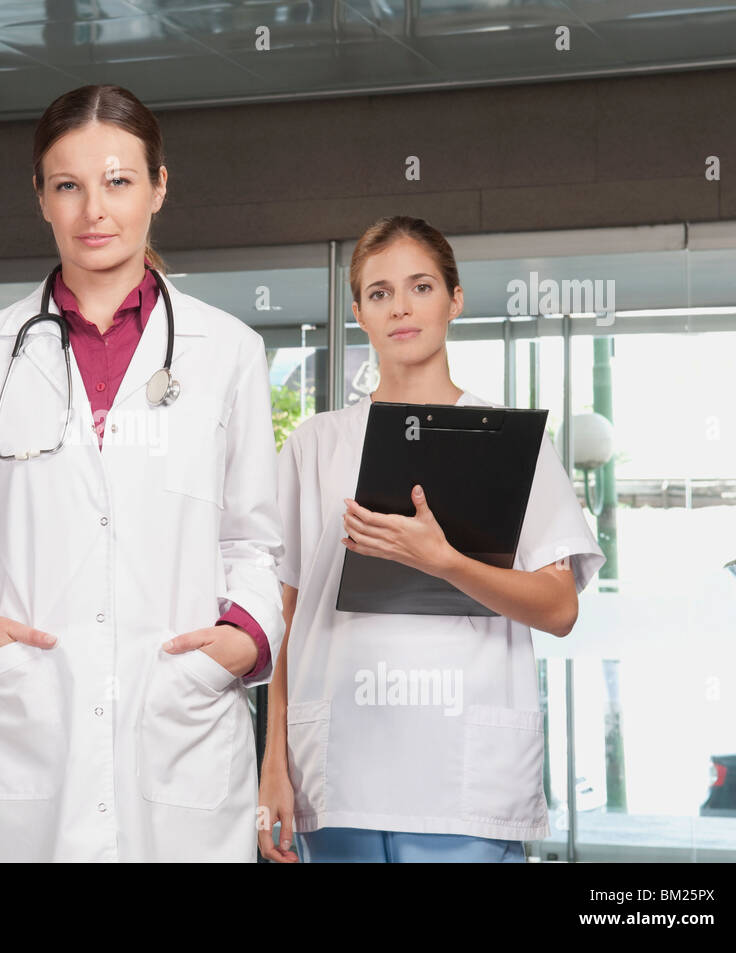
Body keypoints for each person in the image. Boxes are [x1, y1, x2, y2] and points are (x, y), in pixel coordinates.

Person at [0, 84, 284, 862]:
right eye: (68, 185)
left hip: (176, 716)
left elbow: (255, 542)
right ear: (41, 198)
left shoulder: (228, 352)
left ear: (159, 186)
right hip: (24, 726)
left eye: (118, 181)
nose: (94, 210)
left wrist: (240, 641)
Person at [258, 215, 606, 863]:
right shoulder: (314, 445)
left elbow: (559, 608)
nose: (402, 308)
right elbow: (285, 618)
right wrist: (272, 766)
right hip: (339, 779)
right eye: (381, 292)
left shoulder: (508, 443)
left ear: (455, 299)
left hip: (462, 785)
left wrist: (444, 560)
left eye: (420, 286)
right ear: (359, 311)